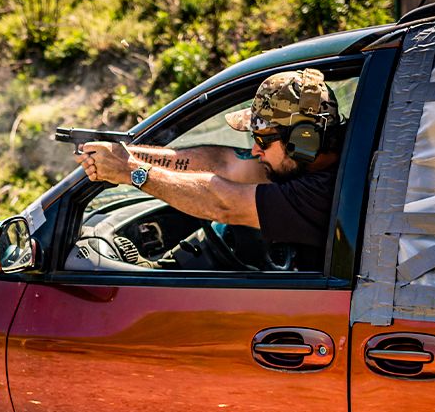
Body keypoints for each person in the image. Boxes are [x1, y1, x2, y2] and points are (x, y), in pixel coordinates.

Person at [78, 68, 343, 268]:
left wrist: (130, 172)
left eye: (262, 140)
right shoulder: (308, 160)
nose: (254, 150)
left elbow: (223, 204)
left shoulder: (328, 191)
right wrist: (127, 155)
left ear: (303, 140)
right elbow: (224, 164)